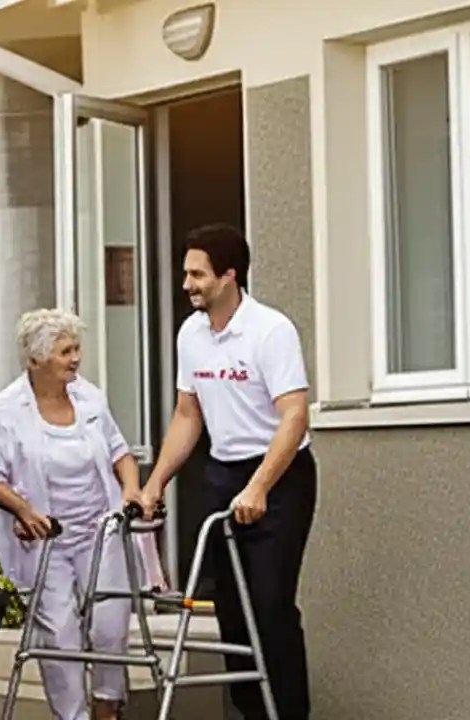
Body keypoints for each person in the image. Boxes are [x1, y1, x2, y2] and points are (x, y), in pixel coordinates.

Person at [128, 223, 316, 720]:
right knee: (230, 612)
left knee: (271, 608)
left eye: (197, 274)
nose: (187, 283)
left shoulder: (270, 331)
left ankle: (289, 715)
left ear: (229, 275)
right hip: (223, 472)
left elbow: (294, 417)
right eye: (186, 273)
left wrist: (259, 487)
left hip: (279, 476)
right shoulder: (191, 333)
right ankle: (252, 712)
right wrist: (153, 485)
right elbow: (188, 414)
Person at [0, 308, 167, 720]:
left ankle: (107, 705)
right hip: (47, 539)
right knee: (60, 634)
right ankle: (73, 716)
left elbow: (121, 452)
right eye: (66, 351)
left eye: (76, 348)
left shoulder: (89, 396)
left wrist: (131, 490)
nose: (76, 359)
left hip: (101, 530)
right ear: (36, 360)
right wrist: (23, 510)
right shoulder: (4, 411)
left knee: (110, 625)